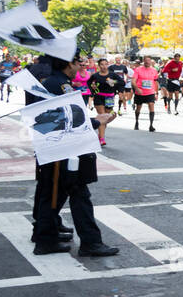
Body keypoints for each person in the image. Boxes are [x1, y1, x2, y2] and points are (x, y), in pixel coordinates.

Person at [28, 51, 120, 257]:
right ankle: (88, 242)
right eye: (79, 62)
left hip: (61, 149)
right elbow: (61, 120)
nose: (82, 66)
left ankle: (45, 235)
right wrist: (97, 121)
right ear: (68, 62)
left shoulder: (57, 82)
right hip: (64, 149)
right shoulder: (58, 84)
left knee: (54, 194)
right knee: (76, 194)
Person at [87, 57, 125, 146]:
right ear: (99, 65)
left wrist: (112, 83)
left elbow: (122, 83)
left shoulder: (112, 75)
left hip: (110, 98)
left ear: (108, 65)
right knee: (102, 116)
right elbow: (88, 82)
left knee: (106, 118)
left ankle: (100, 134)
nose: (104, 66)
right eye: (102, 64)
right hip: (99, 97)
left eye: (105, 64)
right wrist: (93, 90)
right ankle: (102, 139)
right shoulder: (95, 75)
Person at [131, 55, 160, 131]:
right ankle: (136, 122)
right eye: (146, 60)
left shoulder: (154, 70)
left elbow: (155, 82)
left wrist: (156, 93)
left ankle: (151, 125)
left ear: (151, 61)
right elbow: (133, 81)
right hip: (140, 92)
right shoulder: (138, 70)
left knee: (151, 105)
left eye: (149, 60)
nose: (147, 62)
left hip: (150, 92)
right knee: (138, 108)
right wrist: (137, 89)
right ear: (143, 61)